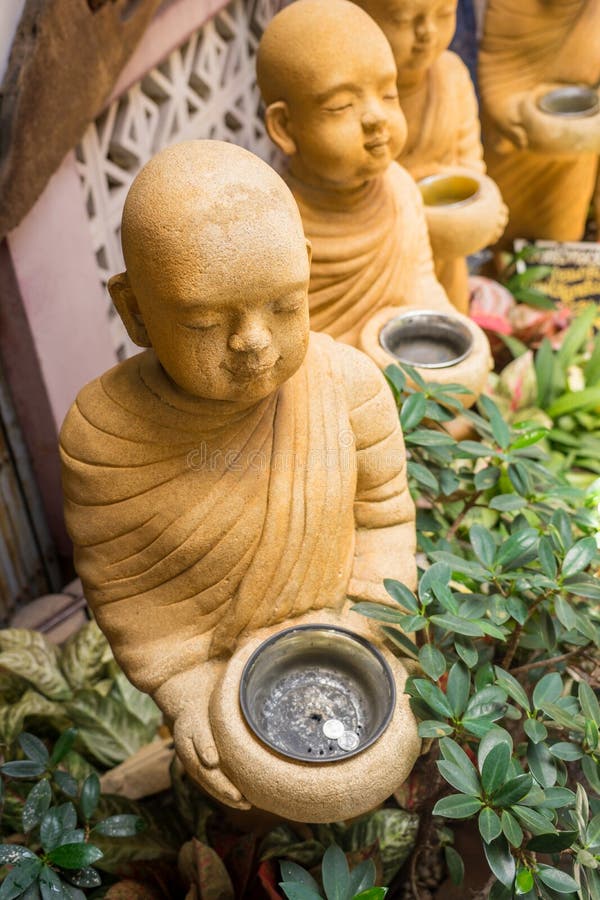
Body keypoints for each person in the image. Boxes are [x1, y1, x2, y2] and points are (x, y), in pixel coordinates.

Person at [60, 140, 416, 810]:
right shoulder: (105, 435)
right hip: (217, 684)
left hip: (343, 642)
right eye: (203, 320)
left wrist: (372, 624)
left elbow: (385, 517)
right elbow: (126, 590)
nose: (252, 340)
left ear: (306, 272)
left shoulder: (349, 388)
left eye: (284, 306)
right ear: (135, 311)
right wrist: (183, 685)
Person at [256, 0, 454, 349]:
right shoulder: (276, 228)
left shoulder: (400, 188)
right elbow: (282, 348)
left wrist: (455, 334)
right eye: (341, 106)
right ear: (285, 127)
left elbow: (422, 283)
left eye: (389, 95)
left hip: (409, 358)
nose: (376, 117)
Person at [354, 0, 507, 309]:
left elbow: (469, 159)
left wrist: (483, 207)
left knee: (453, 312)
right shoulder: (359, 94)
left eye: (444, 14)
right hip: (386, 241)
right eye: (403, 20)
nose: (427, 32)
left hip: (448, 232)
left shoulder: (452, 74)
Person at [479, 0, 600, 247]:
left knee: (560, 241)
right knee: (505, 239)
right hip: (517, 145)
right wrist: (514, 113)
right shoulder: (513, 7)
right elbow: (498, 78)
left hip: (576, 155)